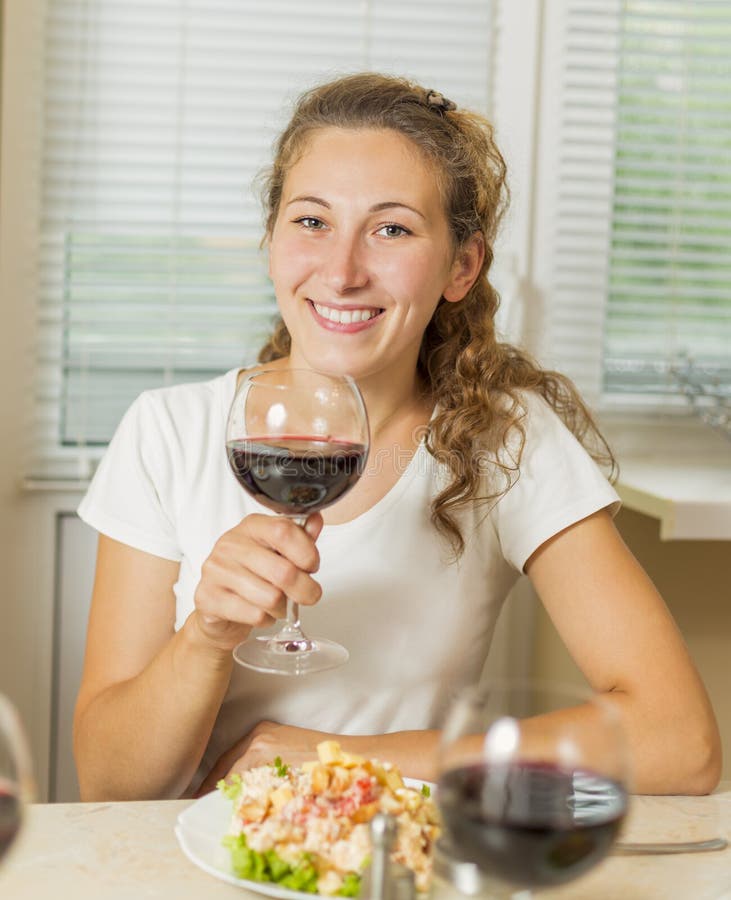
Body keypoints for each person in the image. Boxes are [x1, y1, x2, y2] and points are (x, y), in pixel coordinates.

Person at [73, 72, 721, 801]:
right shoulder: (167, 431)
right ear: (270, 242)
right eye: (311, 221)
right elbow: (108, 785)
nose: (342, 272)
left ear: (460, 267)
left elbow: (681, 743)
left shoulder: (505, 439)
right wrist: (207, 635)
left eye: (391, 229)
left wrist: (341, 760)